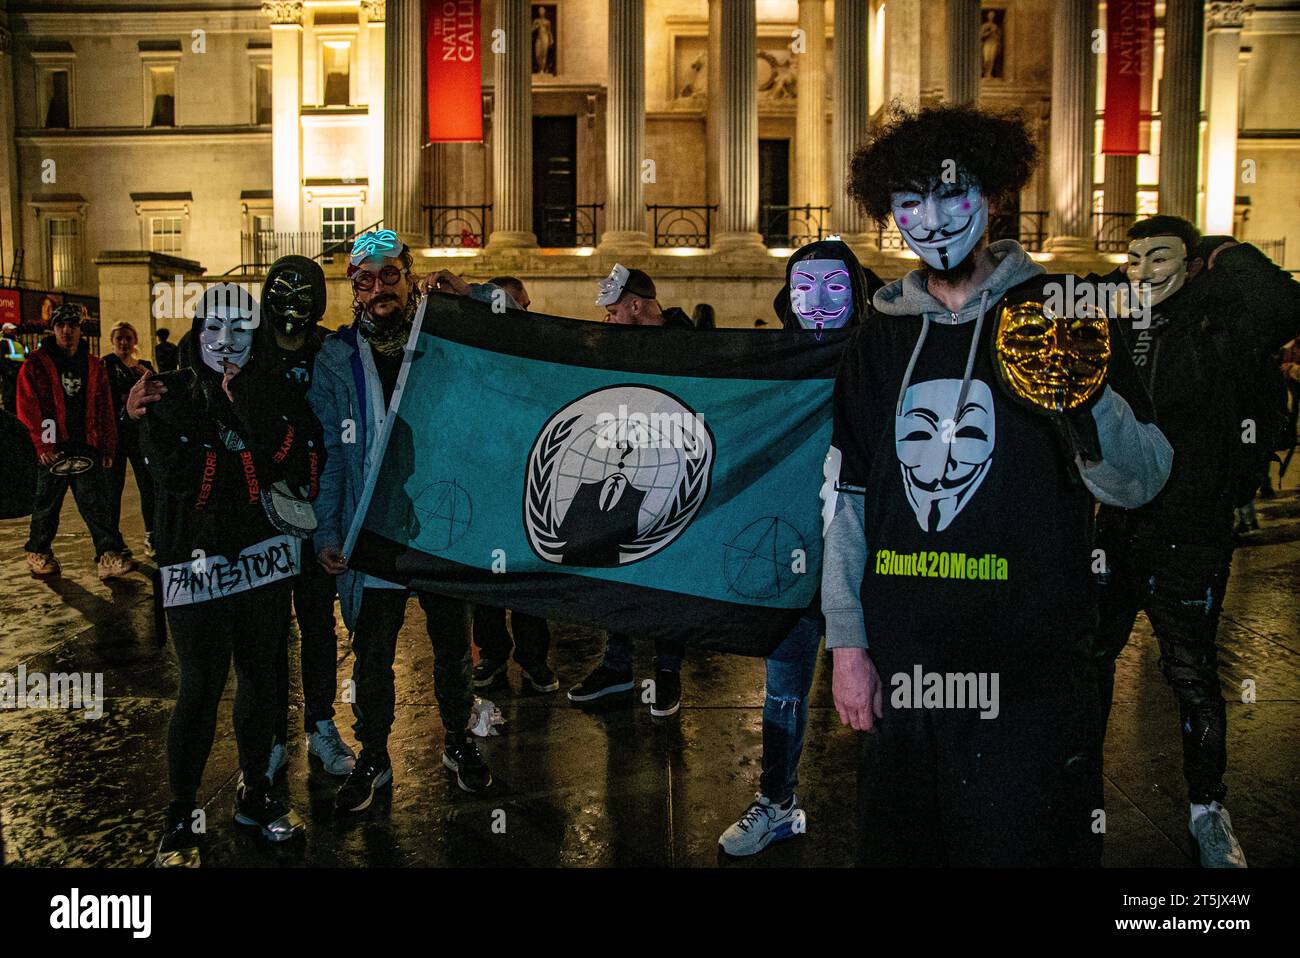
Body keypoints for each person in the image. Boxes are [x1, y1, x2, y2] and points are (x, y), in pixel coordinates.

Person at [825, 105, 1172, 866]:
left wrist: (1083, 398)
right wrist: (847, 644)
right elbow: (847, 503)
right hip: (903, 665)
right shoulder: (877, 338)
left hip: (1029, 668)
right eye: (910, 204)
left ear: (993, 198)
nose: (934, 220)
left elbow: (1141, 478)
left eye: (953, 196)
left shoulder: (1064, 313)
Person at [1090, 215, 1300, 868]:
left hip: (1191, 529)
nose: (1145, 270)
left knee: (1191, 673)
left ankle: (1208, 810)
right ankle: (1078, 795)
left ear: (1192, 263)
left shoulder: (1224, 322)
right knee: (1089, 658)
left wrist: (1229, 251)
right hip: (1117, 525)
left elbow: (1284, 305)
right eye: (1135, 257)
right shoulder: (1115, 317)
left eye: (1162, 257)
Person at [309, 229, 492, 813]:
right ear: (353, 291)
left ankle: (459, 741)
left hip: (443, 525)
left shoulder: (445, 333)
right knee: (373, 652)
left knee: (452, 648)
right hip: (374, 527)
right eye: (366, 280)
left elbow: (515, 332)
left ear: (411, 278)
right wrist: (328, 532)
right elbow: (331, 457)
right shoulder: (336, 357)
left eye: (391, 275)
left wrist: (473, 295)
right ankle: (374, 754)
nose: (380, 288)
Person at [139, 283, 322, 867]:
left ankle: (256, 790)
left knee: (262, 677)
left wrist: (249, 415)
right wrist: (252, 465)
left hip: (262, 560)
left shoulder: (274, 390)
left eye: (240, 331)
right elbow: (178, 477)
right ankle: (182, 811)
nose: (225, 343)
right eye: (213, 329)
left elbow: (299, 456)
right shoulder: (165, 397)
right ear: (196, 331)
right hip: (194, 566)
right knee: (200, 685)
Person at [719, 238, 883, 856]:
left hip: (867, 560)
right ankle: (776, 802)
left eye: (835, 288)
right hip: (791, 556)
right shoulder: (774, 362)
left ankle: (896, 810)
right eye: (803, 289)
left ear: (858, 296)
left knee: (880, 690)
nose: (817, 304)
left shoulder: (881, 363)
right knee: (784, 687)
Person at [565, 264, 693, 716]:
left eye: (614, 311)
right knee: (617, 564)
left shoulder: (693, 348)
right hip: (623, 469)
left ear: (636, 306)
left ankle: (667, 672)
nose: (608, 320)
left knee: (670, 572)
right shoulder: (617, 348)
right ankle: (616, 667)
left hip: (672, 477)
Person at [260, 255, 357, 780]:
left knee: (319, 624)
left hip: (319, 507)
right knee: (271, 630)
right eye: (283, 287)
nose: (293, 298)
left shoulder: (334, 351)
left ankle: (320, 723)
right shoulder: (248, 349)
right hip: (264, 515)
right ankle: (274, 731)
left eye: (304, 289)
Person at [461, 275, 561, 695]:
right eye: (519, 304)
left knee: (527, 582)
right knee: (488, 585)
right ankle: (494, 657)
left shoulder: (534, 358)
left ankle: (534, 659)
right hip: (486, 487)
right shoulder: (475, 357)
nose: (527, 311)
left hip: (527, 489)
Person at [17, 303, 135, 580]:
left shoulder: (94, 365)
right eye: (61, 325)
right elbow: (27, 405)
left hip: (85, 445)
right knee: (46, 503)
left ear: (81, 328)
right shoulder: (36, 363)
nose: (67, 331)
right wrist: (42, 445)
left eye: (72, 325)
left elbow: (104, 406)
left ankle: (109, 554)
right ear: (53, 328)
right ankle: (39, 551)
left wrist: (107, 446)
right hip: (53, 448)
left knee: (96, 503)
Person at [102, 321, 157, 557]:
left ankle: (152, 534)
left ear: (135, 340)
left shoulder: (143, 367)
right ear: (113, 341)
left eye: (127, 338)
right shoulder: (105, 365)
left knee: (149, 486)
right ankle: (112, 540)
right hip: (114, 436)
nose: (123, 343)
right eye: (119, 338)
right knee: (112, 489)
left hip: (139, 436)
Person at [1, 321, 28, 413]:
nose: (13, 331)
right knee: (10, 401)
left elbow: (25, 355)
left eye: (14, 329)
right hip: (11, 377)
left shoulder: (18, 342)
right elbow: (1, 361)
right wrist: (9, 372)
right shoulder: (3, 343)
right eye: (10, 330)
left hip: (21, 373)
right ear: (5, 330)